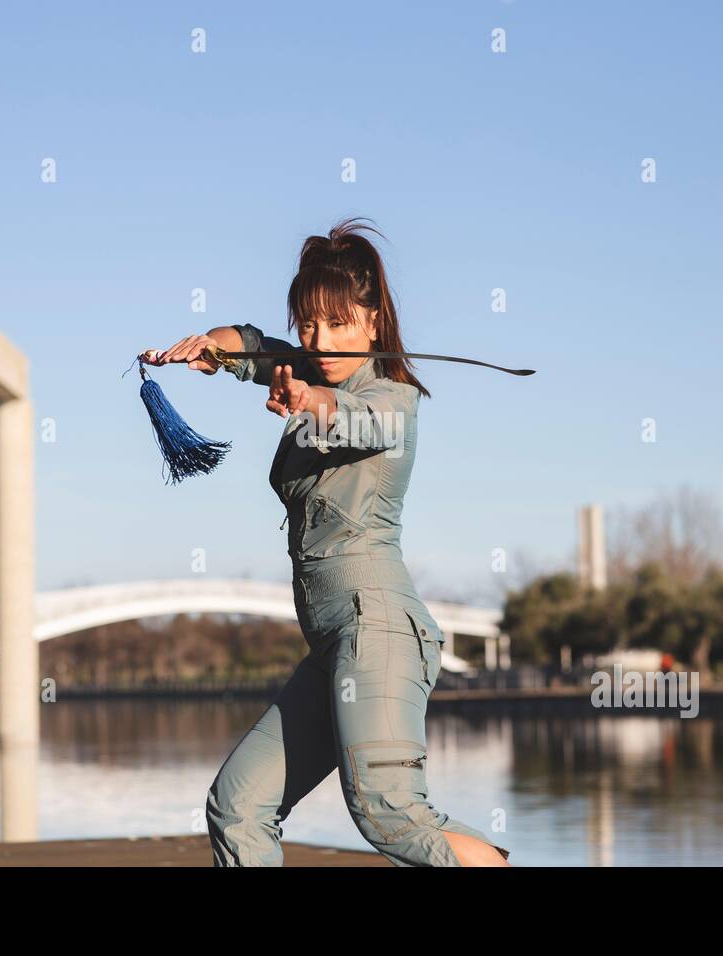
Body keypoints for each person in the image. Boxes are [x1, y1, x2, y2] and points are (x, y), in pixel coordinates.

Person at [142, 217, 511, 867]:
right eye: (310, 324)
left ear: (373, 321)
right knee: (239, 806)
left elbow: (359, 422)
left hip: (379, 631)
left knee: (392, 817)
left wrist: (310, 397)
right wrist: (211, 347)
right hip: (333, 643)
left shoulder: (391, 398)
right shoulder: (309, 366)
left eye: (339, 324)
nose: (320, 339)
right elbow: (252, 345)